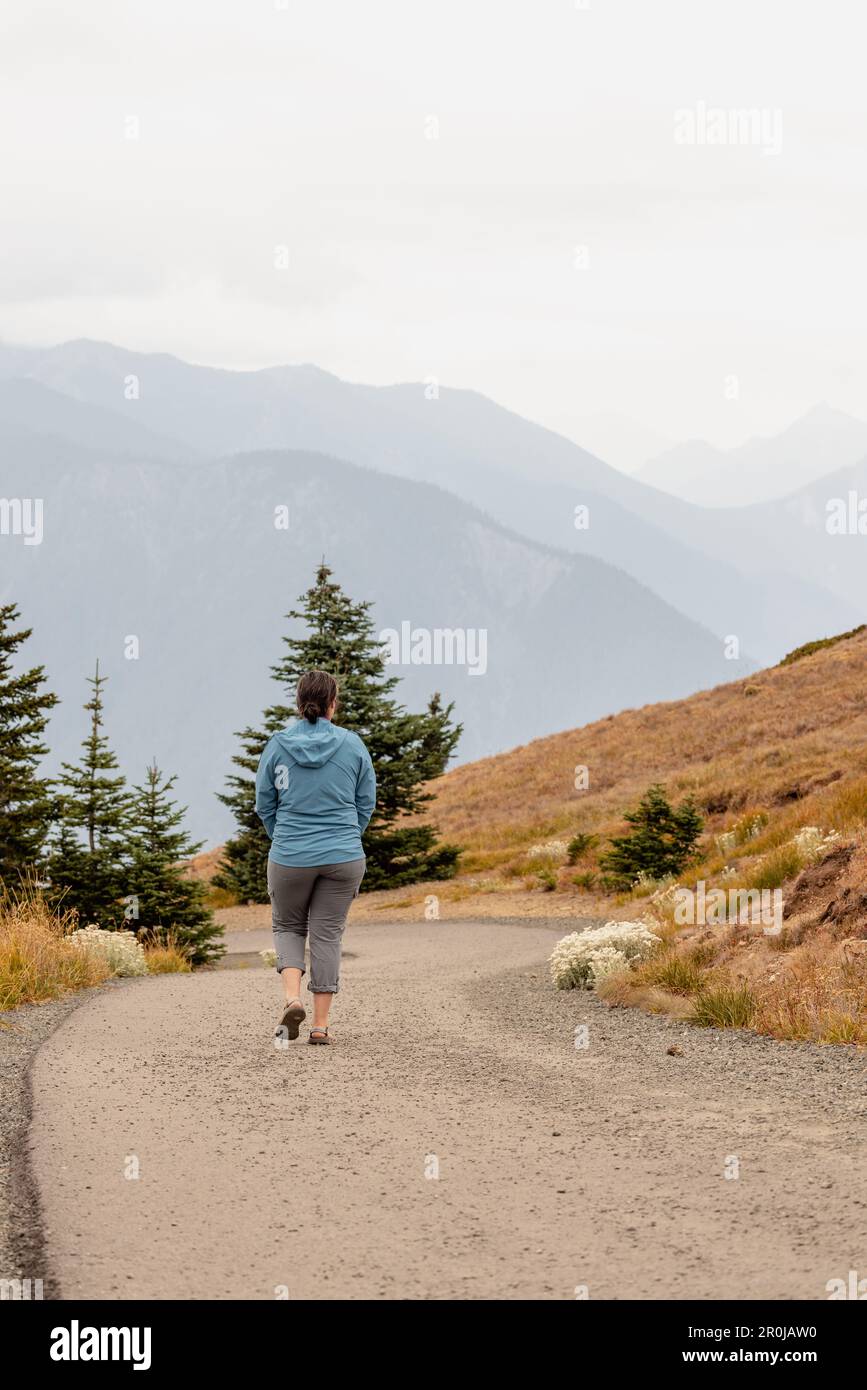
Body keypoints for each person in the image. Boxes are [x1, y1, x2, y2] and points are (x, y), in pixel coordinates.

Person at [255, 669, 376, 1045]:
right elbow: (365, 801)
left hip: (290, 855)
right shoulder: (353, 745)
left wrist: (285, 838)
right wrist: (345, 837)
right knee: (327, 935)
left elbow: (264, 803)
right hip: (343, 857)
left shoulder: (278, 745)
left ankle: (292, 999)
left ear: (299, 702)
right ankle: (320, 1026)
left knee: (289, 927)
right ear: (332, 705)